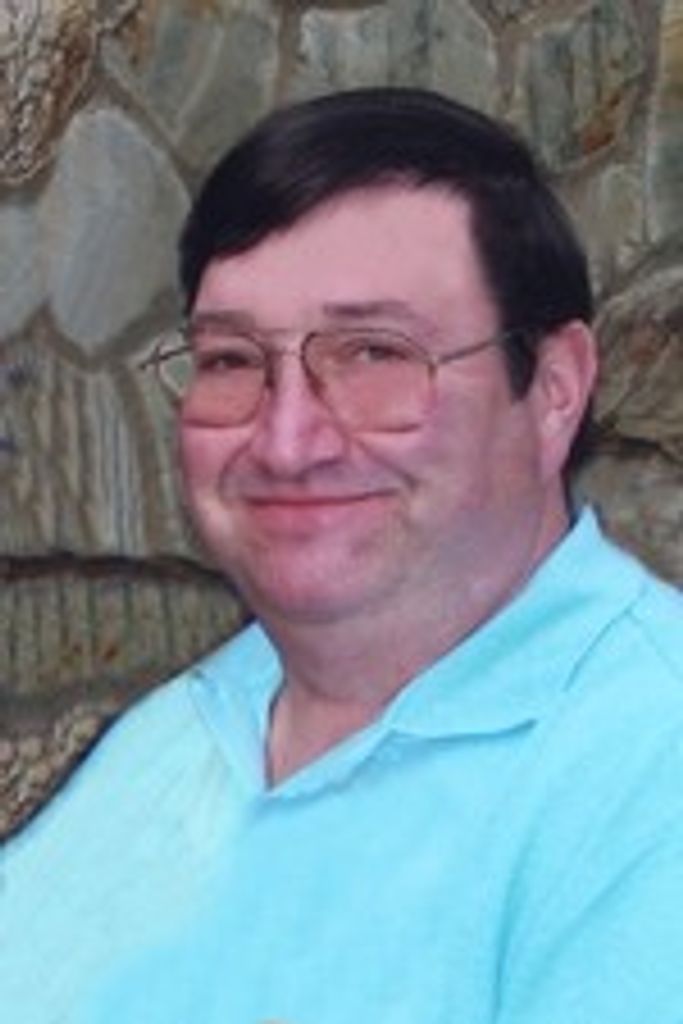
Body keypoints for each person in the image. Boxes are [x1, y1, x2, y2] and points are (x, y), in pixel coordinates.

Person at [2, 87, 683, 1024]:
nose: (287, 444)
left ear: (555, 387)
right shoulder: (187, 729)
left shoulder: (644, 767)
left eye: (373, 354)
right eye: (232, 360)